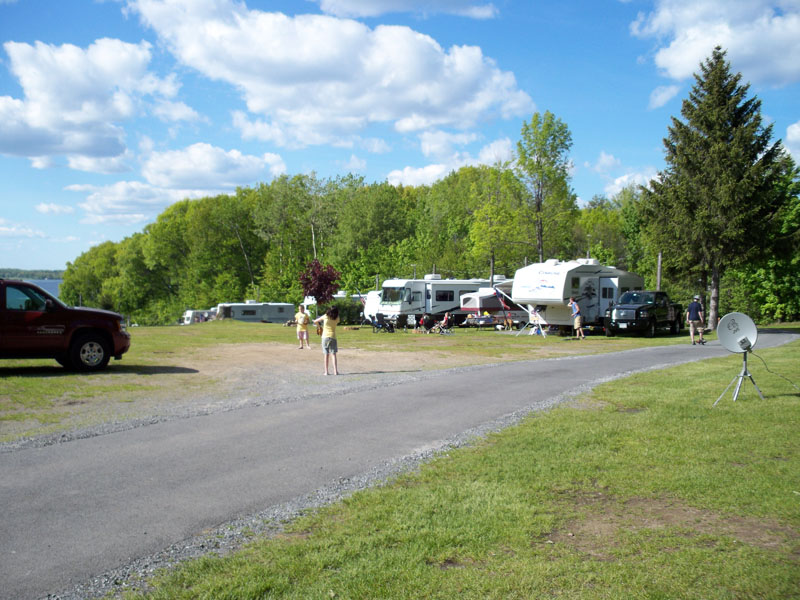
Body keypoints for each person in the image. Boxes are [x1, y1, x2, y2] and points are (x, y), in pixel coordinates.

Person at [313, 306, 340, 375]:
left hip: (325, 336)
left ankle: (326, 371)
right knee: (333, 354)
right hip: (333, 336)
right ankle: (335, 371)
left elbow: (315, 321)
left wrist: (319, 326)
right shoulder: (337, 318)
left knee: (326, 354)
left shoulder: (325, 316)